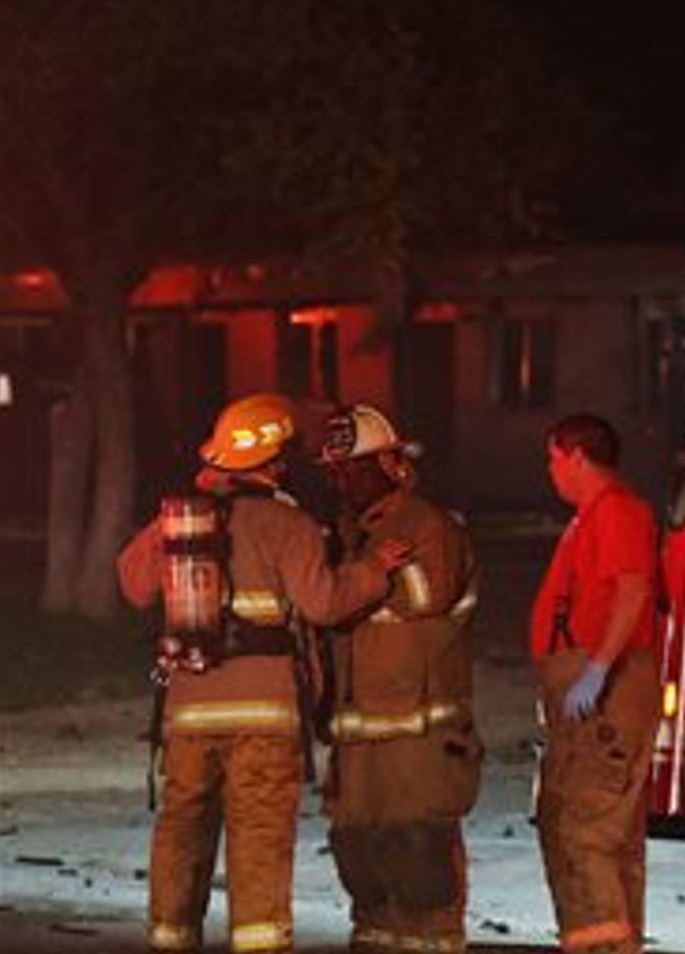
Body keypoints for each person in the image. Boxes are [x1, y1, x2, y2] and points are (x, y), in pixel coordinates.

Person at [116, 392, 406, 954]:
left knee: (181, 837)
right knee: (259, 846)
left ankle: (170, 940)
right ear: (275, 461)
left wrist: (171, 517)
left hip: (189, 712)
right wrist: (374, 570)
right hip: (265, 720)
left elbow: (131, 584)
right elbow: (323, 603)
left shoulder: (182, 520)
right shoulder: (287, 523)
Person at [318, 404, 482, 954]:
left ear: (392, 464)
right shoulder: (351, 534)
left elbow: (424, 595)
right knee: (362, 862)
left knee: (421, 864)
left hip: (420, 738)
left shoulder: (426, 525)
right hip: (360, 740)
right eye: (336, 472)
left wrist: (364, 572)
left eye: (357, 468)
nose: (345, 482)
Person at [530, 413, 663, 954]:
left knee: (586, 832)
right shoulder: (593, 517)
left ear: (576, 455)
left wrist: (599, 667)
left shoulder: (618, 513)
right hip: (588, 696)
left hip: (606, 698)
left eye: (553, 459)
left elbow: (633, 589)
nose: (551, 471)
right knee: (584, 828)